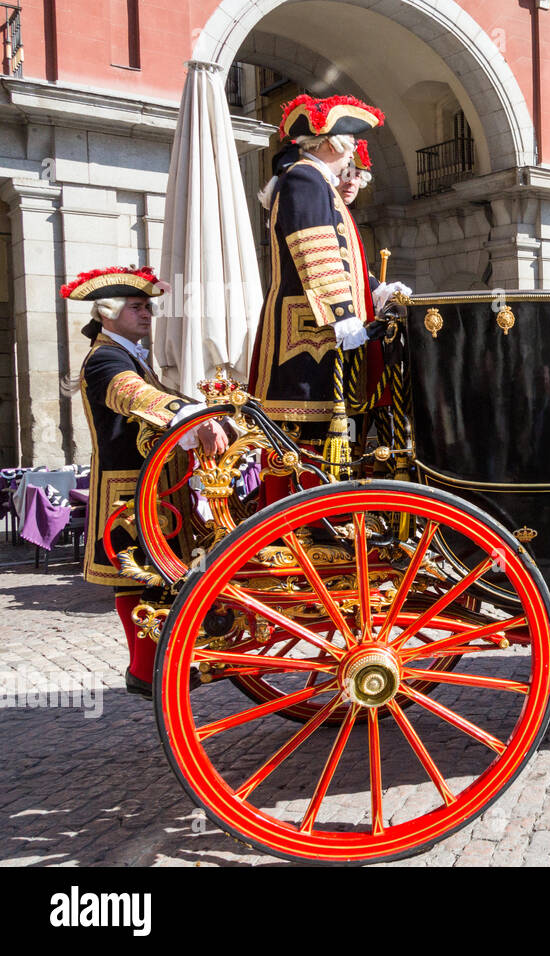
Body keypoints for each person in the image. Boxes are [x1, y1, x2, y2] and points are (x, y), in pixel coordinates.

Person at [65, 266, 227, 699]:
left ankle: (154, 664)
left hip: (147, 487)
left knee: (154, 579)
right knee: (137, 578)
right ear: (108, 312)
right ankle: (144, 669)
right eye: (136, 307)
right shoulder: (104, 358)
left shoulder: (128, 353)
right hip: (128, 489)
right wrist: (190, 415)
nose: (147, 314)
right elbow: (133, 395)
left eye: (148, 306)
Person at [248, 94, 386, 469]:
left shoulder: (313, 180)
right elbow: (313, 248)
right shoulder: (306, 178)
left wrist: (377, 290)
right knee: (306, 439)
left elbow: (344, 255)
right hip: (308, 332)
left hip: (315, 326)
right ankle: (303, 521)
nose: (352, 155)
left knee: (322, 436)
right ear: (330, 144)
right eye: (351, 145)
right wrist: (342, 314)